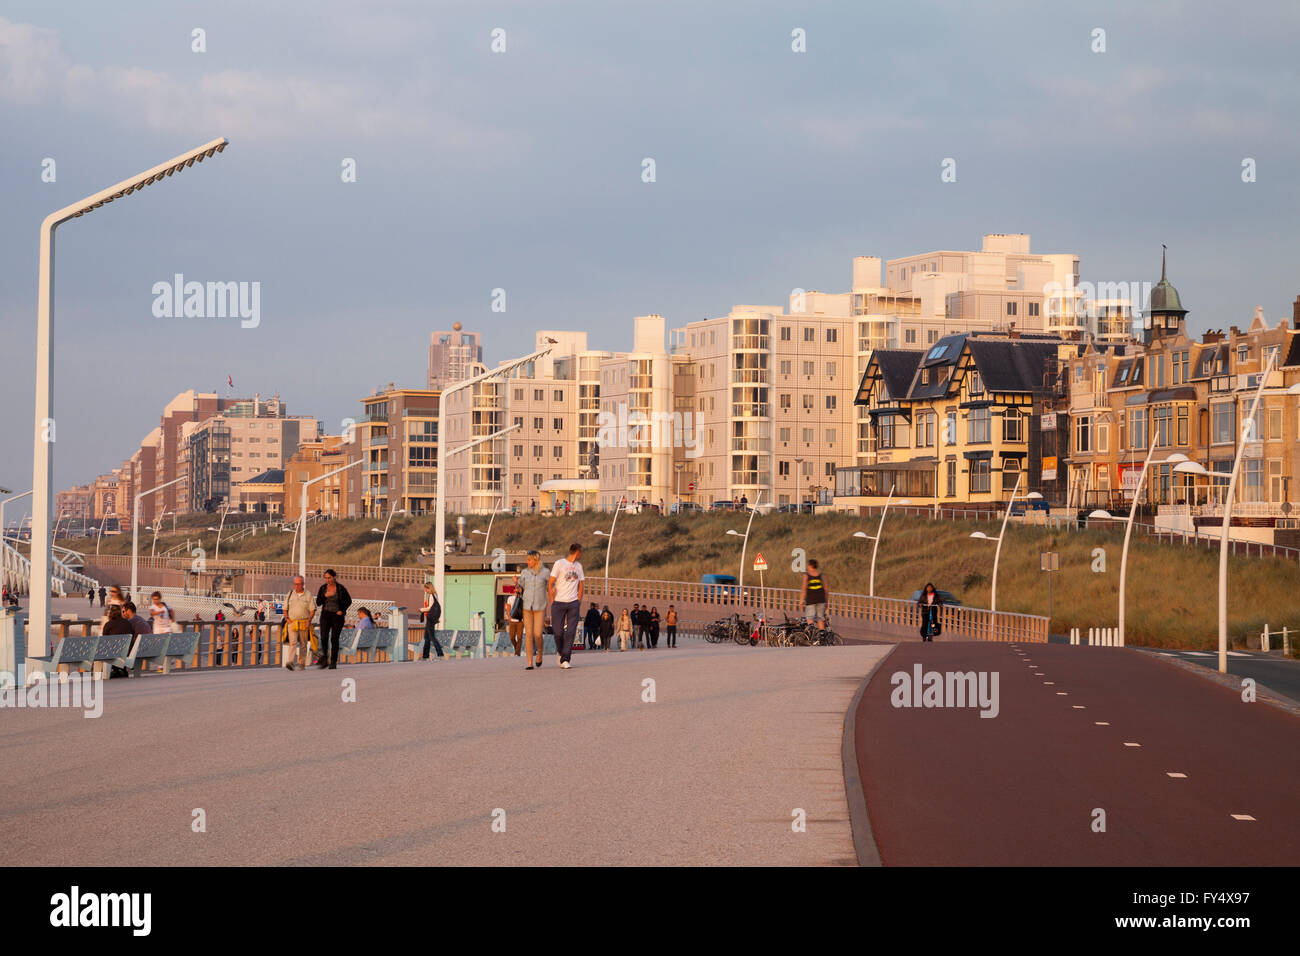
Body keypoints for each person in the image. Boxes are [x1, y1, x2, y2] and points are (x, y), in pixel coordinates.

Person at [547, 543, 584, 669]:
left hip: (573, 603)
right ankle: (561, 652)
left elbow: (581, 584)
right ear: (577, 552)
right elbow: (551, 582)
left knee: (571, 631)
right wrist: (552, 599)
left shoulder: (579, 566)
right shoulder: (559, 563)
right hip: (558, 602)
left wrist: (579, 599)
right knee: (558, 632)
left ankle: (565, 659)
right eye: (581, 552)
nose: (581, 555)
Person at [314, 569, 352, 669]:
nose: (328, 580)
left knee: (334, 638)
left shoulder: (340, 588)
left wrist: (342, 610)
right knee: (324, 637)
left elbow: (349, 601)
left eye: (329, 578)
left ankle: (333, 661)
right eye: (326, 578)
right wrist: (324, 596)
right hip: (325, 615)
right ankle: (325, 658)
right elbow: (318, 602)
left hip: (337, 616)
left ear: (334, 577)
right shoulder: (323, 588)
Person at [282, 575, 314, 672]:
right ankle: (290, 662)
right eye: (295, 584)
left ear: (303, 584)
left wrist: (309, 621)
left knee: (303, 644)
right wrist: (287, 619)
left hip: (304, 622)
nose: (297, 586)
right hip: (292, 622)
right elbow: (285, 608)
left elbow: (312, 610)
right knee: (293, 643)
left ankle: (301, 663)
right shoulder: (290, 594)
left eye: (299, 584)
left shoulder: (308, 594)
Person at [419, 582, 445, 660]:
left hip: (430, 618)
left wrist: (421, 609)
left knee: (432, 637)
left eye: (426, 589)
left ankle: (440, 654)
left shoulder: (431, 596)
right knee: (426, 637)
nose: (425, 590)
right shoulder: (435, 595)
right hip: (433, 618)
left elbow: (429, 608)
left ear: (429, 588)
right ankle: (425, 656)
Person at [802, 559, 828, 627]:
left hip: (811, 600)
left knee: (810, 618)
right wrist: (826, 601)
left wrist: (801, 600)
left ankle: (812, 634)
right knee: (820, 618)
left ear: (810, 566)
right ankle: (821, 635)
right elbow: (826, 590)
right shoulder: (821, 575)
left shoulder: (807, 575)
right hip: (821, 599)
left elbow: (804, 589)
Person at [506, 575, 525, 656]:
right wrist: (509, 617)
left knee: (520, 637)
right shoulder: (510, 598)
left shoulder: (523, 598)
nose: (518, 590)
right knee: (512, 637)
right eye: (516, 588)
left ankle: (517, 653)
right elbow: (508, 608)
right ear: (514, 589)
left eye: (519, 589)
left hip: (520, 621)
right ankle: (517, 648)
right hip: (512, 621)